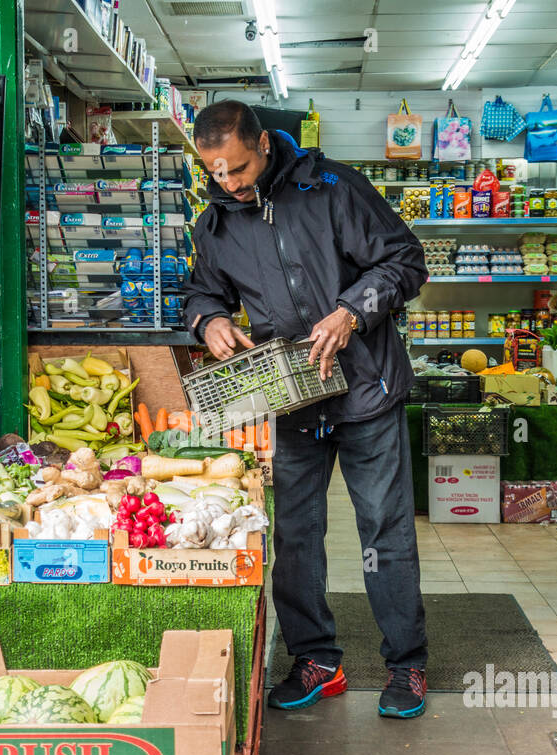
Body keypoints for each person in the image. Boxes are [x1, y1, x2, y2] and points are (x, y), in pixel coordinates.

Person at [181, 101, 429, 718]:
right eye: (216, 174)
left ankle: (407, 666)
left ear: (264, 144)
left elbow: (405, 261)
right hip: (290, 397)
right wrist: (208, 320)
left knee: (384, 532)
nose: (230, 183)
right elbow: (203, 290)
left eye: (238, 168)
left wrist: (352, 311)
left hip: (366, 388)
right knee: (292, 536)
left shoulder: (332, 188)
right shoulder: (216, 223)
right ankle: (316, 659)